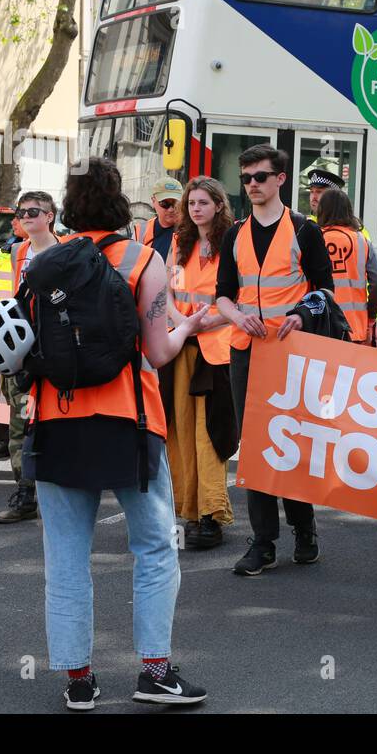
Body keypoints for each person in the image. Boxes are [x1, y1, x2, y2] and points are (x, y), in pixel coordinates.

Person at [28, 157, 211, 710]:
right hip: (129, 423)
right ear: (118, 203)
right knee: (155, 547)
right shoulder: (141, 258)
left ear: (68, 203)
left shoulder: (42, 263)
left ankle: (79, 680)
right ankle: (155, 672)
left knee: (65, 556)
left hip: (56, 422)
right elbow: (158, 351)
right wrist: (187, 327)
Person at [216, 144, 334, 576]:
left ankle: (304, 529)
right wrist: (237, 315)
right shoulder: (235, 233)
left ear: (281, 179)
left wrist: (302, 315)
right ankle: (263, 542)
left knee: (292, 442)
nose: (251, 185)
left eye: (260, 177)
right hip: (246, 351)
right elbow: (223, 295)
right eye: (246, 178)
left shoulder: (305, 231)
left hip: (291, 352)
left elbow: (325, 291)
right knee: (255, 449)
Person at [164, 177, 237, 550]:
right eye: (191, 202)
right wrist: (182, 321)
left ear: (218, 206)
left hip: (217, 350)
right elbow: (167, 290)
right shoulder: (179, 242)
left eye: (203, 202)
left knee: (209, 435)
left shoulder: (234, 243)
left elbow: (241, 296)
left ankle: (211, 515)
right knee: (180, 433)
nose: (195, 208)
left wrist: (212, 321)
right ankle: (188, 512)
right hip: (182, 345)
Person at [0, 193, 61, 524]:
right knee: (19, 422)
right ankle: (25, 492)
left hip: (54, 349)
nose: (26, 217)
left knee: (57, 422)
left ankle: (64, 489)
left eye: (34, 211)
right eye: (22, 212)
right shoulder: (15, 253)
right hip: (19, 348)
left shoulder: (64, 252)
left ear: (50, 216)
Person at [0, 214, 27, 462]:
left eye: (19, 218)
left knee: (21, 393)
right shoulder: (4, 252)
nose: (14, 223)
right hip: (3, 329)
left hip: (25, 328)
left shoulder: (45, 249)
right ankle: (4, 440)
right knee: (5, 393)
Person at [317, 187, 377, 345]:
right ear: (348, 211)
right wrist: (371, 316)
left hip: (320, 327)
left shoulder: (315, 238)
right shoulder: (361, 241)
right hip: (353, 330)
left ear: (322, 210)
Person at [136, 178, 182, 261]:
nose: (171, 209)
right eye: (164, 203)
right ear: (153, 201)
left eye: (175, 203)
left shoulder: (190, 230)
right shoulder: (140, 231)